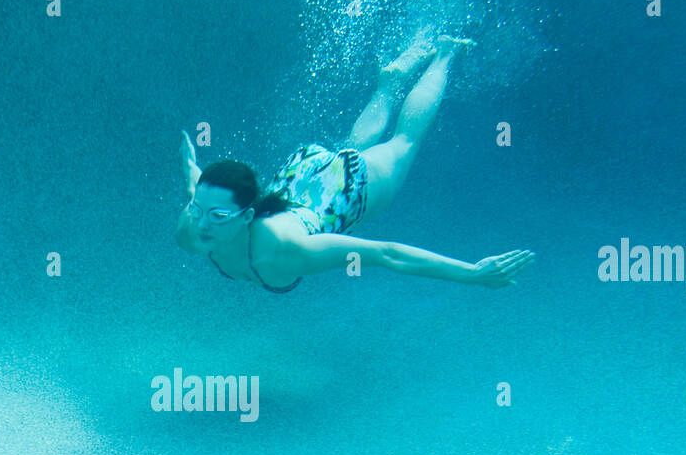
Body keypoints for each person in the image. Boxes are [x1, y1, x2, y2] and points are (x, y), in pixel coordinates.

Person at [176, 33, 534, 293]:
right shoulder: (193, 227)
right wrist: (190, 164)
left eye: (219, 216)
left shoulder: (287, 250)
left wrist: (471, 273)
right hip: (299, 178)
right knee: (349, 147)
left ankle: (444, 52)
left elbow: (386, 254)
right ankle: (388, 83)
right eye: (198, 211)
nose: (203, 224)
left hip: (344, 189)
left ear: (248, 215)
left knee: (404, 141)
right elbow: (197, 189)